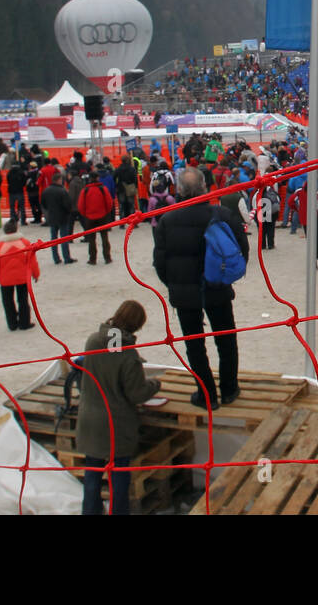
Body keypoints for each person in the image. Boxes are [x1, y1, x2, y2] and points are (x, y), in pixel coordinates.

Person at [152, 169, 249, 408]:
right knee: (226, 341)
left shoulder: (167, 220)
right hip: (217, 287)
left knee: (194, 346)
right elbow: (241, 250)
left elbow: (160, 262)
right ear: (205, 188)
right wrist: (227, 277)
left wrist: (174, 284)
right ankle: (229, 389)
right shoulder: (222, 215)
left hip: (185, 293)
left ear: (180, 191)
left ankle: (206, 396)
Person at [75, 300, 161, 515]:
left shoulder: (93, 341)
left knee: (92, 473)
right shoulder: (127, 354)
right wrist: (155, 384)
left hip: (89, 419)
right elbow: (137, 393)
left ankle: (90, 511)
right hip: (115, 425)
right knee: (119, 475)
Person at [0, 218, 39, 331]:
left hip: (5, 280)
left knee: (7, 302)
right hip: (22, 278)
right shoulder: (25, 243)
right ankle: (25, 323)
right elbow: (32, 262)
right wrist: (36, 274)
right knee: (23, 301)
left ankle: (12, 323)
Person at [76, 170, 115, 265]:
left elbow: (80, 206)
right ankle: (107, 257)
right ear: (98, 178)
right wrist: (106, 212)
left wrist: (86, 214)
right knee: (105, 238)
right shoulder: (103, 189)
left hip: (89, 217)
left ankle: (93, 259)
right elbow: (109, 203)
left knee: (91, 239)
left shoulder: (85, 190)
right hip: (102, 216)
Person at [40, 173, 77, 265]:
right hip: (63, 217)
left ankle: (56, 258)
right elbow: (67, 205)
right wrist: (68, 212)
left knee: (53, 238)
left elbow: (43, 203)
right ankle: (66, 257)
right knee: (64, 238)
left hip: (52, 217)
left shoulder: (46, 191)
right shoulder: (62, 191)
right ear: (59, 180)